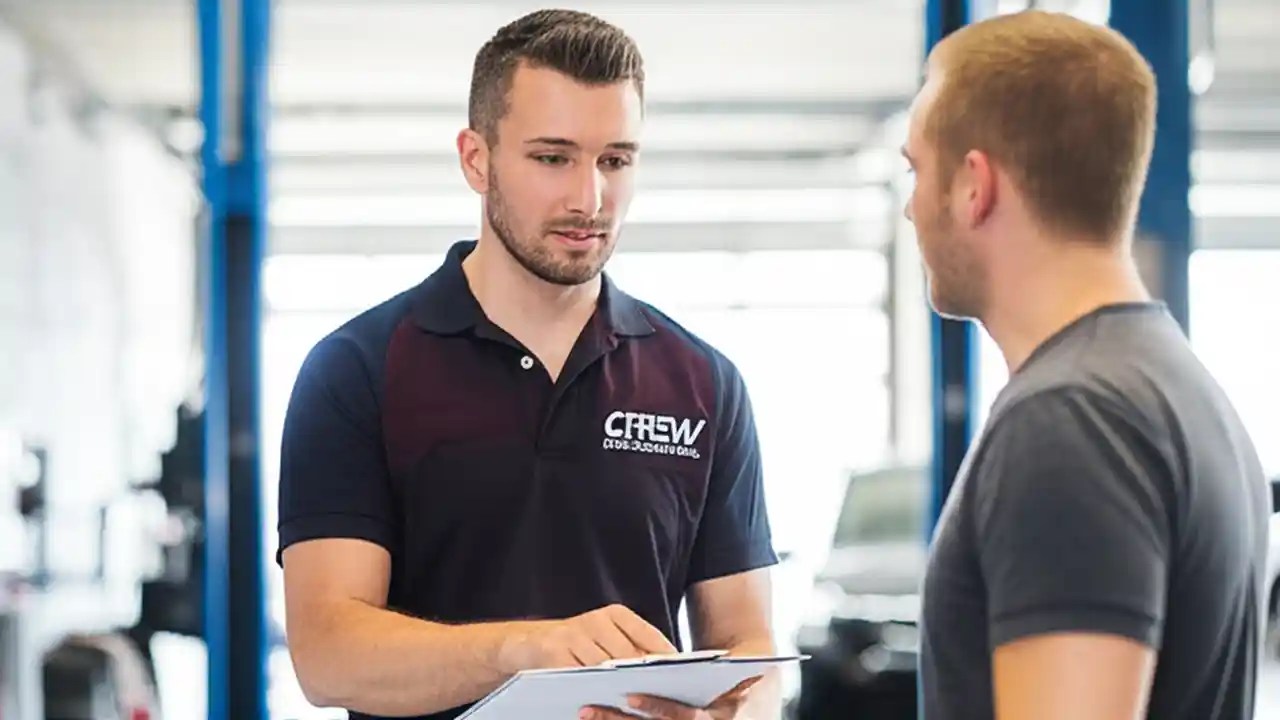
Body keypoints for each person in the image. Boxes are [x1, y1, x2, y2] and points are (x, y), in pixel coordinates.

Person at [276, 9, 780, 720]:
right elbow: (328, 657)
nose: (589, 199)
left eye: (615, 159)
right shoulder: (356, 370)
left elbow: (747, 645)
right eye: (553, 157)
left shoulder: (703, 384)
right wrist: (521, 655)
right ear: (475, 159)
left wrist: (729, 714)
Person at [903, 10, 1269, 720]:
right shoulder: (1172, 387)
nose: (911, 209)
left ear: (975, 186)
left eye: (916, 169)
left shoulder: (1070, 421)